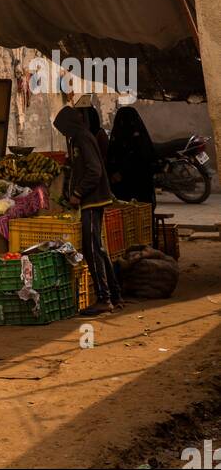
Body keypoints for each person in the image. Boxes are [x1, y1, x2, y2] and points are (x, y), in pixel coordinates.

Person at [54, 104, 123, 315]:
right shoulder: (79, 137)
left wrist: (78, 193)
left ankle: (104, 298)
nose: (63, 133)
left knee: (92, 249)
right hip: (91, 200)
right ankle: (115, 293)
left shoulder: (82, 137)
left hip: (92, 201)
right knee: (98, 249)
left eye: (63, 129)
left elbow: (94, 170)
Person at [107, 105, 156, 208]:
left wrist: (121, 173)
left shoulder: (139, 141)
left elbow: (141, 160)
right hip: (124, 190)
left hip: (138, 188)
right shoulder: (120, 138)